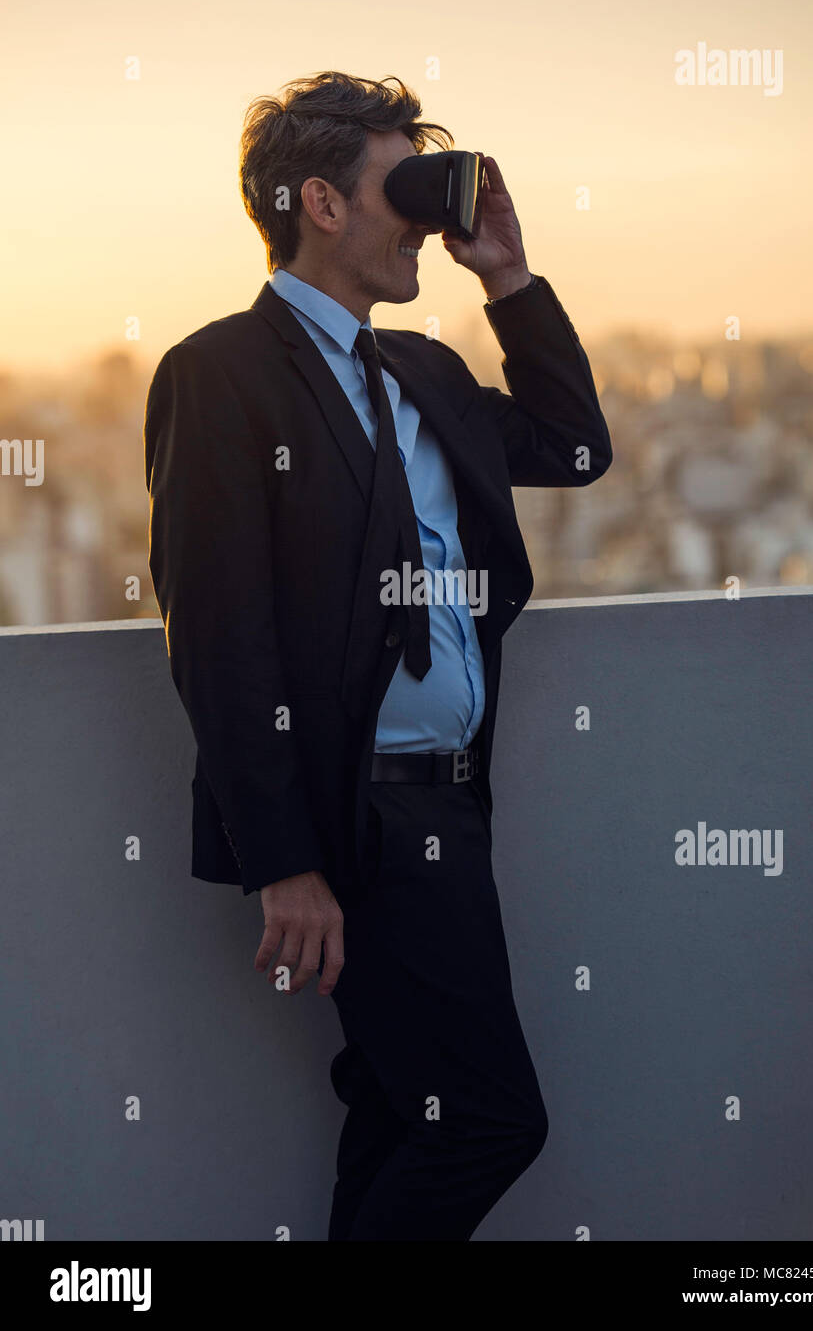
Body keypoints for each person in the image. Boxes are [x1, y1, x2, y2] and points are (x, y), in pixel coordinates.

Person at [143, 70, 612, 1241]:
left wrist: (505, 276)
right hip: (360, 824)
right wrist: (285, 861)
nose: (424, 216)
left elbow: (575, 448)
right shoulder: (220, 374)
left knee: (408, 1115)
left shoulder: (424, 372)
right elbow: (217, 635)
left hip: (453, 808)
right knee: (491, 1122)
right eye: (403, 187)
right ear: (322, 204)